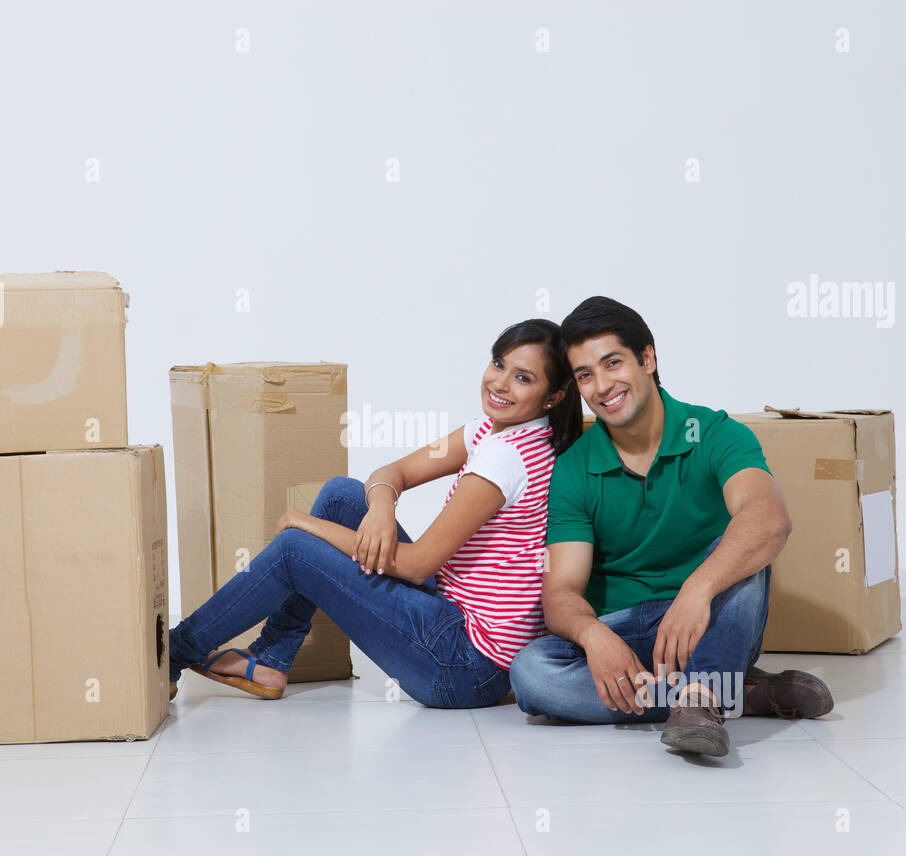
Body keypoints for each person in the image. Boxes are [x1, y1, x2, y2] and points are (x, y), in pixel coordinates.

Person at [168, 319, 584, 708]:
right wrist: (383, 506)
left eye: (523, 378)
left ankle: (172, 655)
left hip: (463, 664)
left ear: (553, 397)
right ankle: (273, 656)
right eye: (499, 364)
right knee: (340, 496)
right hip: (452, 609)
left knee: (295, 549)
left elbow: (418, 565)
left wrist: (308, 526)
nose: (501, 383)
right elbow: (394, 472)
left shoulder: (506, 458)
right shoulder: (493, 429)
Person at [509, 296, 834, 757]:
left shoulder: (716, 433)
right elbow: (560, 591)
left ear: (647, 358)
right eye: (585, 375)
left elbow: (769, 519)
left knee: (742, 544)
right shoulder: (574, 468)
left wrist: (696, 591)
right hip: (622, 631)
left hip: (709, 622)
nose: (602, 386)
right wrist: (594, 637)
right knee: (532, 674)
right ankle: (731, 691)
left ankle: (702, 699)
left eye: (612, 363)